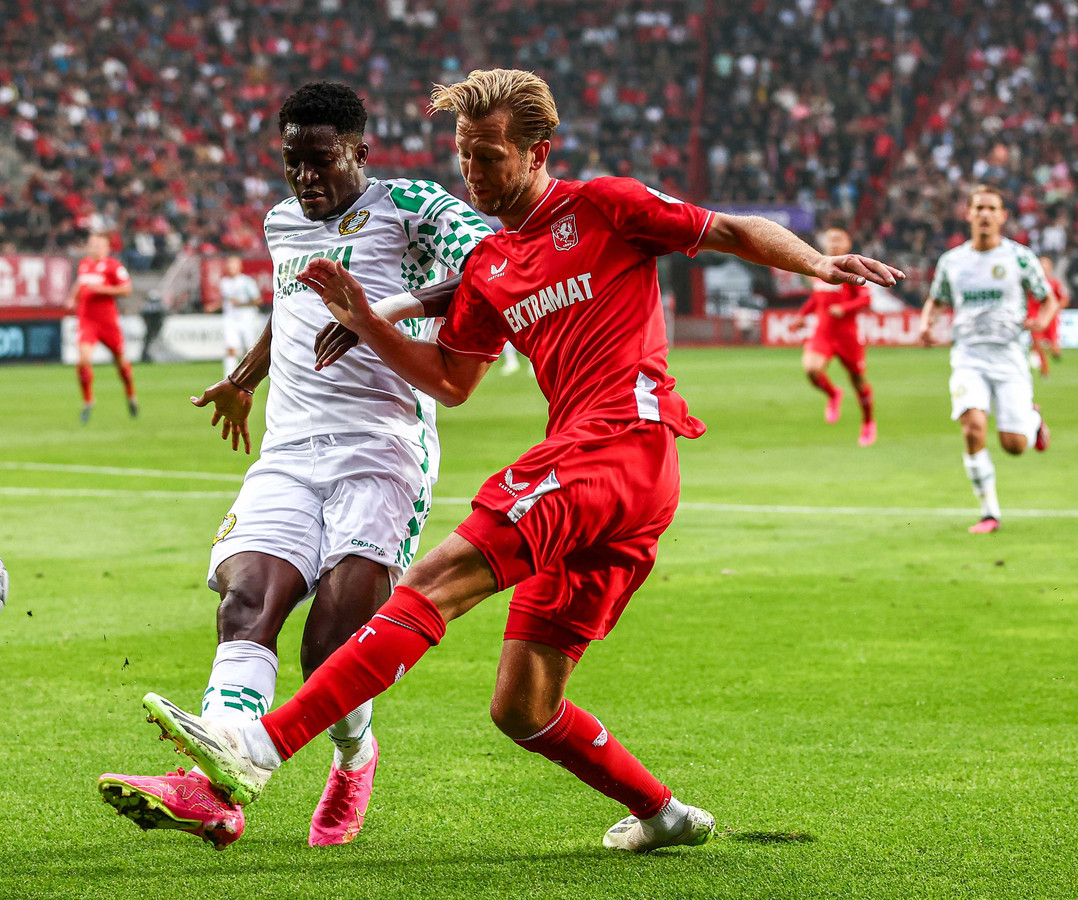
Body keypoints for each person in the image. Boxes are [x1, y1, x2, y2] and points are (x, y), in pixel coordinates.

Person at [133, 69, 903, 853]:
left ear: (539, 152)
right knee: (523, 706)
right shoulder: (493, 266)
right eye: (466, 156)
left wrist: (820, 264)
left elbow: (731, 230)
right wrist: (367, 317)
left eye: (491, 157)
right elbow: (449, 382)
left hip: (620, 442)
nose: (474, 175)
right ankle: (662, 814)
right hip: (607, 482)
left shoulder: (600, 204)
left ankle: (254, 751)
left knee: (433, 583)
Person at [98, 82, 492, 848]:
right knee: (247, 603)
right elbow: (291, 305)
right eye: (292, 163)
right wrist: (243, 381)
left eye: (322, 162)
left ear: (360, 153)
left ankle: (355, 753)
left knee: (328, 651)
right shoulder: (284, 222)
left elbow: (498, 268)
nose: (306, 180)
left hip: (380, 453)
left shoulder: (411, 205)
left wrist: (382, 315)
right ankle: (214, 792)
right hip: (288, 451)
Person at [920, 185, 1058, 534]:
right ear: (968, 214)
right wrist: (926, 324)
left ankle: (1032, 421)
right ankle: (989, 513)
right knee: (972, 426)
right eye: (978, 207)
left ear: (1002, 216)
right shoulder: (952, 261)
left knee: (1014, 446)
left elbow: (1048, 298)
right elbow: (936, 300)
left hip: (1010, 356)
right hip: (968, 356)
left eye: (991, 208)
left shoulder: (1020, 257)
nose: (984, 214)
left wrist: (1042, 321)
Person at [797, 228, 876, 445]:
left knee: (858, 381)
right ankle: (833, 394)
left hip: (847, 336)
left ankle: (868, 422)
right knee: (812, 370)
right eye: (830, 239)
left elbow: (866, 299)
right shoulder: (820, 268)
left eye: (838, 239)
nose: (833, 243)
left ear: (848, 243)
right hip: (823, 332)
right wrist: (802, 315)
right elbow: (817, 298)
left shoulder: (852, 270)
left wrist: (845, 308)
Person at [67, 231, 136, 423]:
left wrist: (103, 289)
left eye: (98, 244)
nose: (94, 247)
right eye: (92, 244)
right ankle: (88, 401)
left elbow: (127, 289)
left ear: (106, 247)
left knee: (120, 362)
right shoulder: (84, 264)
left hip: (108, 322)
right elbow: (80, 284)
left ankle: (130, 394)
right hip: (87, 320)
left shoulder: (114, 266)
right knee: (83, 360)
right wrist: (72, 297)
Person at [218, 256, 264, 377]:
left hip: (247, 318)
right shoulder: (224, 283)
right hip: (230, 319)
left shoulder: (246, 282)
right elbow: (226, 301)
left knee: (250, 349)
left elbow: (258, 300)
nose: (231, 268)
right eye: (229, 265)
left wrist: (241, 303)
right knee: (231, 348)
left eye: (233, 265)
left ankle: (250, 375)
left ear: (239, 267)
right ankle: (229, 377)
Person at [1033, 256, 1069, 378]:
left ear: (1050, 268)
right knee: (1038, 343)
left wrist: (1055, 308)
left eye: (1046, 266)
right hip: (1036, 318)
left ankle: (1053, 351)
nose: (1043, 269)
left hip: (1052, 319)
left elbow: (1064, 298)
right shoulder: (1032, 283)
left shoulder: (1055, 283)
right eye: (1041, 266)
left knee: (1055, 348)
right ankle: (1044, 368)